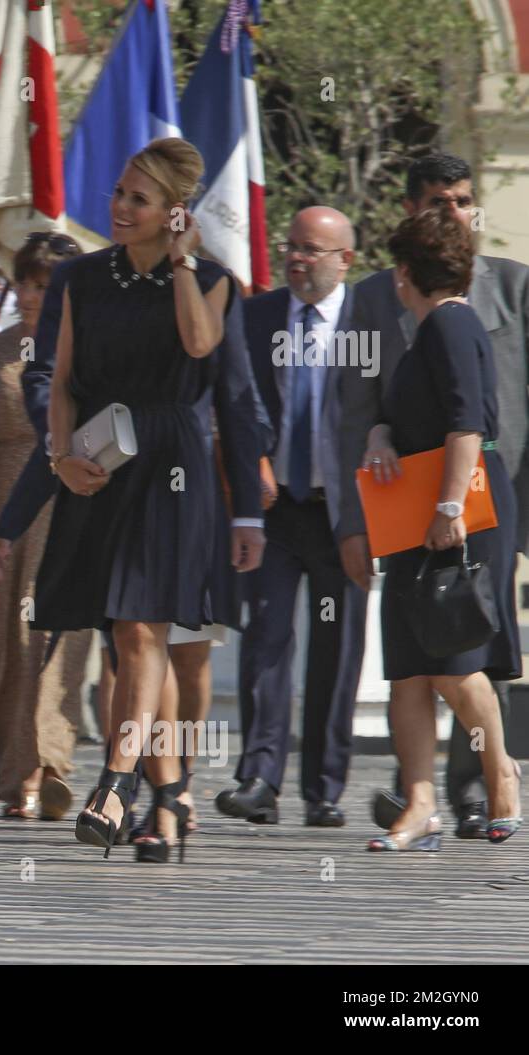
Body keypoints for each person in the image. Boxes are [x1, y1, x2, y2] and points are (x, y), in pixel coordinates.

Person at [34, 137, 266, 863]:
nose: (121, 207)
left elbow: (201, 348)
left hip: (173, 465)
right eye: (119, 194)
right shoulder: (77, 277)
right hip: (101, 465)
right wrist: (61, 456)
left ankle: (130, 780)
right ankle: (158, 797)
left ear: (175, 212)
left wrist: (184, 263)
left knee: (155, 638)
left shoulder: (213, 280)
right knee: (130, 641)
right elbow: (61, 378)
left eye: (139, 199)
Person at [337, 153, 529, 838]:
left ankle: (502, 773)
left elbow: (468, 420)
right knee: (412, 665)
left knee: (455, 659)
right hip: (410, 505)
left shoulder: (449, 324)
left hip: (458, 508)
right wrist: (383, 433)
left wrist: (449, 510)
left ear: (405, 275)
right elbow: (393, 409)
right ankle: (421, 803)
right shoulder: (427, 328)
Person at [216, 207, 368, 828]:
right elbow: (232, 402)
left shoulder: (371, 322)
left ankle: (324, 790)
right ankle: (260, 778)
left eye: (313, 250)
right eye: (292, 247)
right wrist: (250, 460)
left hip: (345, 513)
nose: (298, 259)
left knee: (338, 649)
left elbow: (391, 407)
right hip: (275, 511)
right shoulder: (254, 318)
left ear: (345, 260)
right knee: (267, 640)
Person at [0, 230, 92, 819]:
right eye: (28, 283)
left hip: (73, 492)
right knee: (9, 637)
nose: (35, 295)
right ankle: (15, 771)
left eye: (49, 285)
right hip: (6, 494)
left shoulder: (89, 348)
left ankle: (50, 764)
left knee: (58, 632)